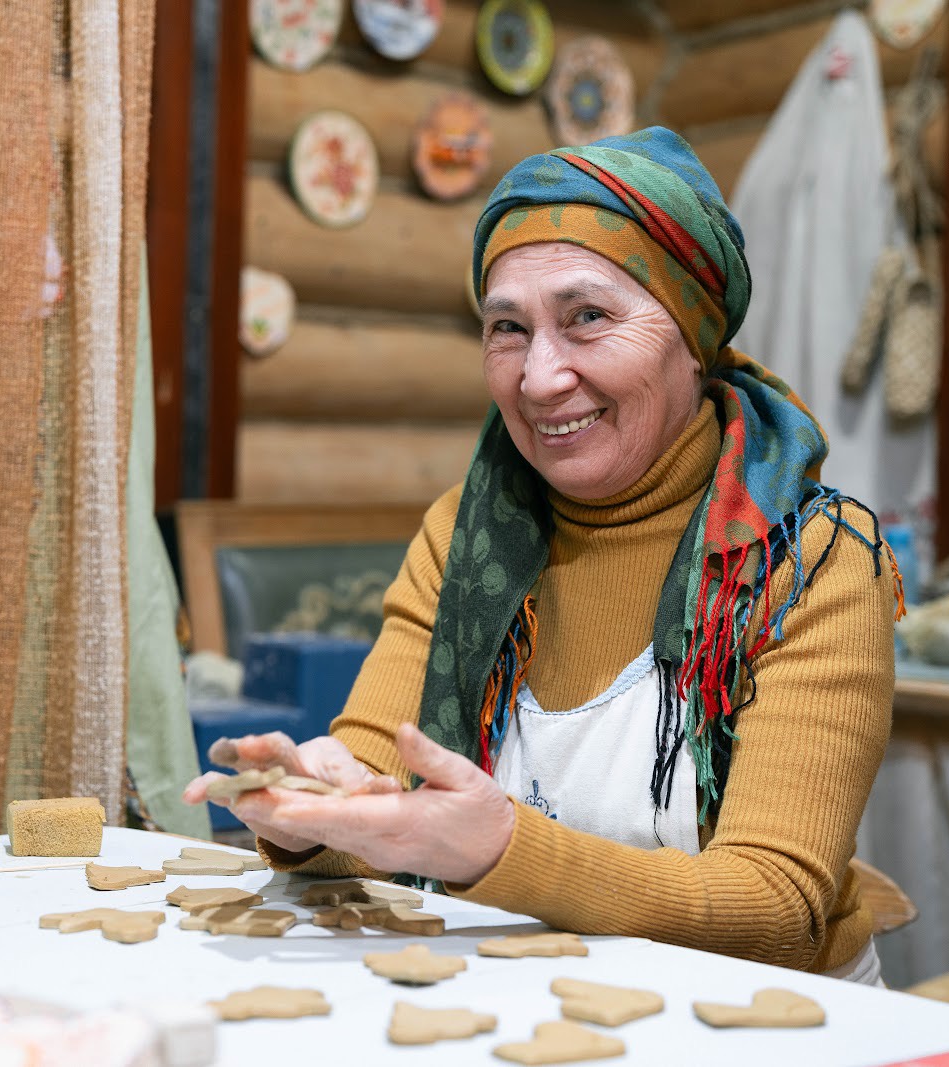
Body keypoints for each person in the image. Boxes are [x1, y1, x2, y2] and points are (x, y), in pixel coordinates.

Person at [184, 128, 902, 984]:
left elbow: (775, 911)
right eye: (508, 328)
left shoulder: (807, 561)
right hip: (525, 1000)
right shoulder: (464, 537)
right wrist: (313, 813)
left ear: (694, 332)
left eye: (587, 317)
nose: (538, 377)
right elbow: (375, 805)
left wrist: (501, 847)